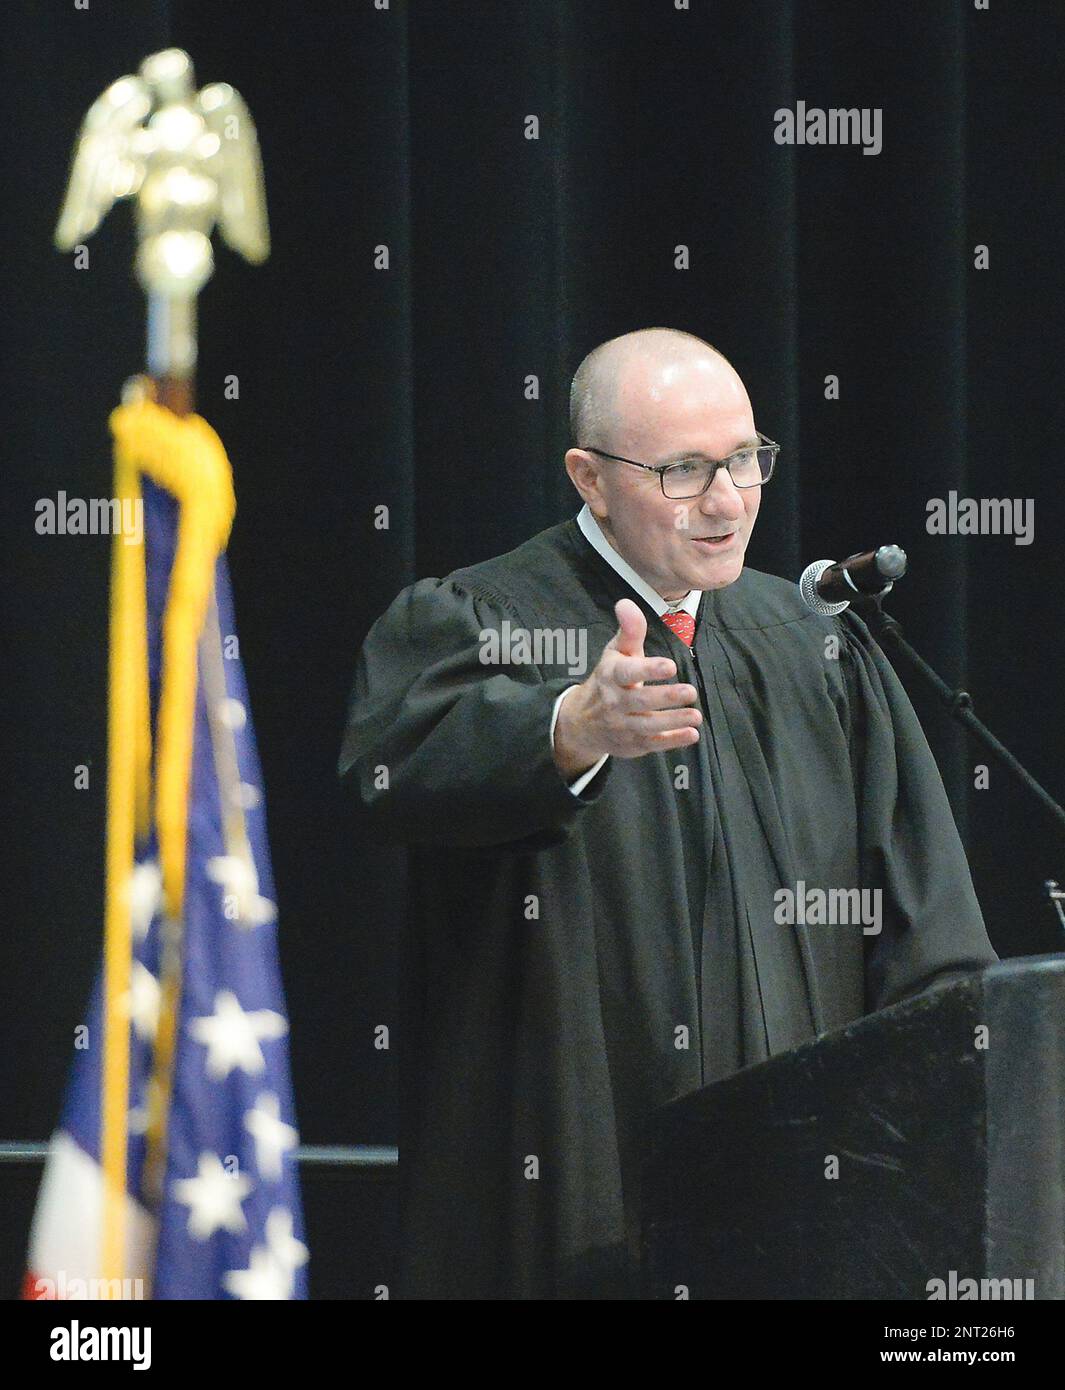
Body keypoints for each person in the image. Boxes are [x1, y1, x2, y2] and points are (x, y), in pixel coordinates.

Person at [338, 327, 998, 1300]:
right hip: (577, 1215)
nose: (727, 501)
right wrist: (567, 727)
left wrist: (963, 1099)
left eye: (745, 459)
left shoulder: (812, 644)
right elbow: (387, 770)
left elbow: (926, 930)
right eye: (683, 471)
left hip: (805, 1220)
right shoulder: (475, 619)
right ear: (588, 476)